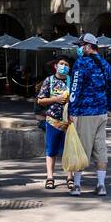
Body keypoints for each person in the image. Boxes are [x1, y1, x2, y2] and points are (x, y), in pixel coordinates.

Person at [66, 33, 111, 195]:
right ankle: (101, 185)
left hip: (84, 112)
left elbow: (75, 89)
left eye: (80, 45)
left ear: (88, 46)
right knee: (100, 149)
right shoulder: (105, 64)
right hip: (102, 113)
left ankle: (76, 186)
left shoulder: (81, 63)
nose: (78, 48)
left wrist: (72, 111)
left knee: (81, 148)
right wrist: (109, 106)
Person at [37, 57, 73, 189]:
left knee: (68, 151)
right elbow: (40, 100)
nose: (64, 66)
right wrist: (56, 99)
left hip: (69, 122)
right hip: (52, 121)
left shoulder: (72, 80)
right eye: (61, 64)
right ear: (55, 66)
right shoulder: (49, 80)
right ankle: (50, 177)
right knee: (51, 150)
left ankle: (70, 177)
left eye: (66, 65)